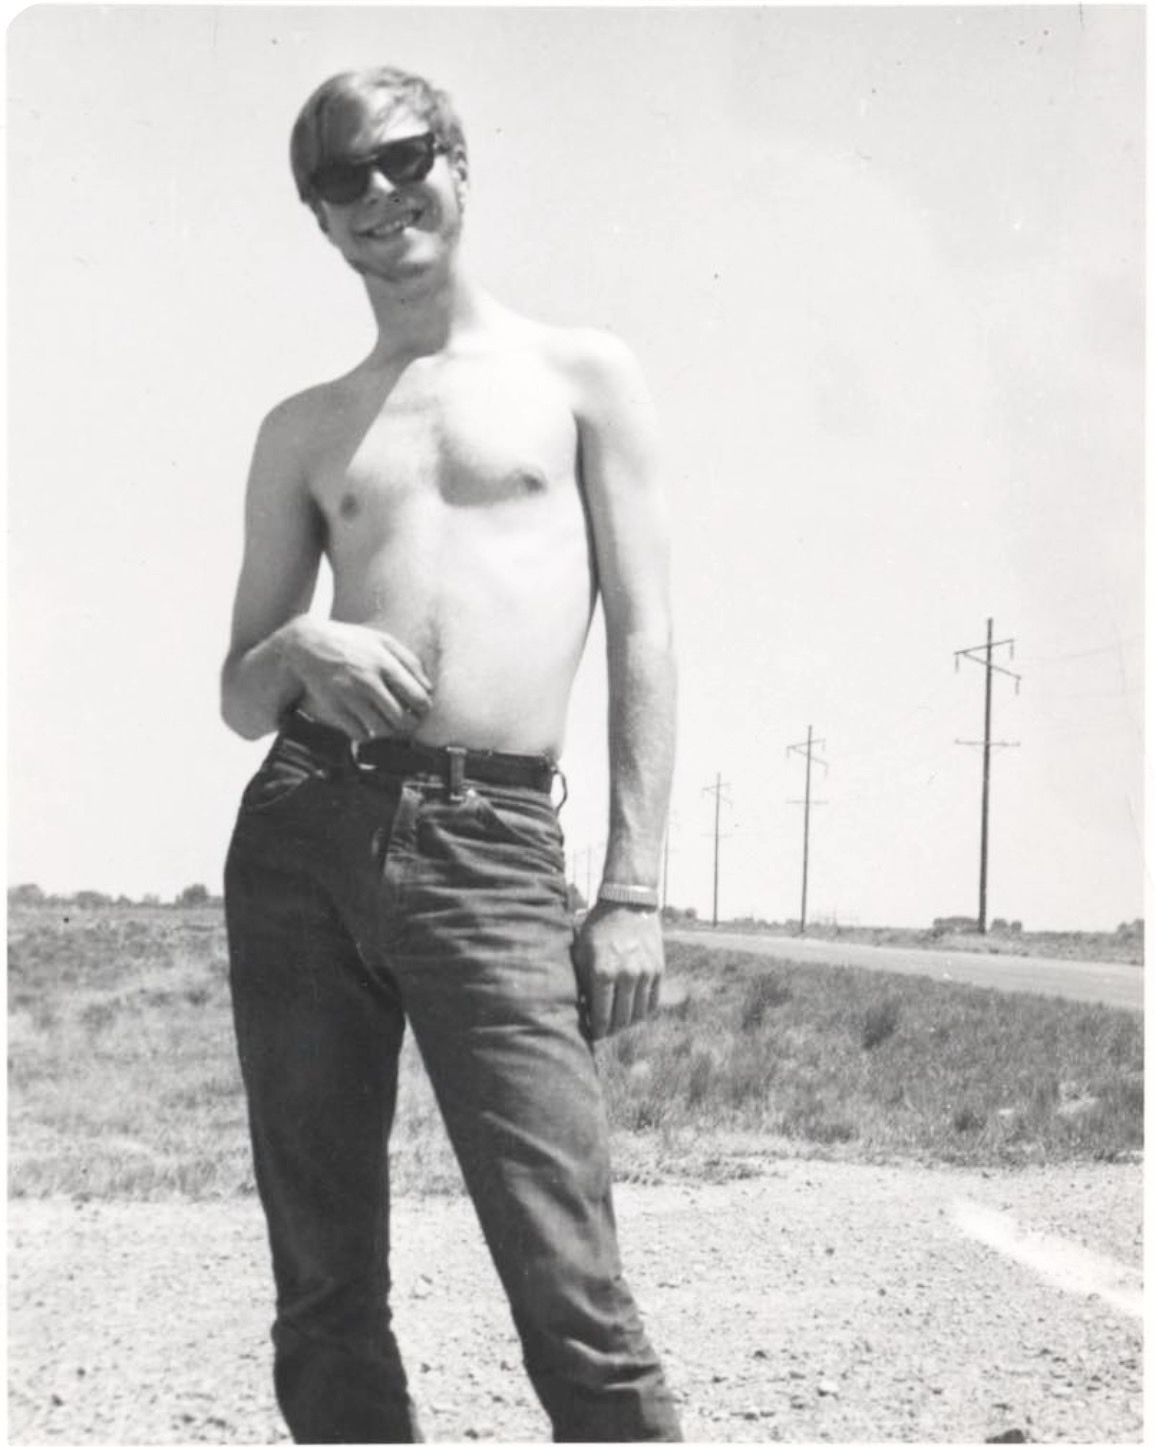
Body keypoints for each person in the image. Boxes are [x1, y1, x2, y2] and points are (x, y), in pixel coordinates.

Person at [221, 64, 681, 1444]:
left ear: (458, 164)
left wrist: (633, 888)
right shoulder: (304, 428)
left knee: (571, 1285)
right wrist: (304, 644)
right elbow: (241, 693)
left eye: (403, 157)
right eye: (340, 179)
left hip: (492, 844)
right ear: (319, 219)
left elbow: (647, 632)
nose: (379, 193)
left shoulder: (579, 376)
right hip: (307, 831)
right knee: (324, 1286)